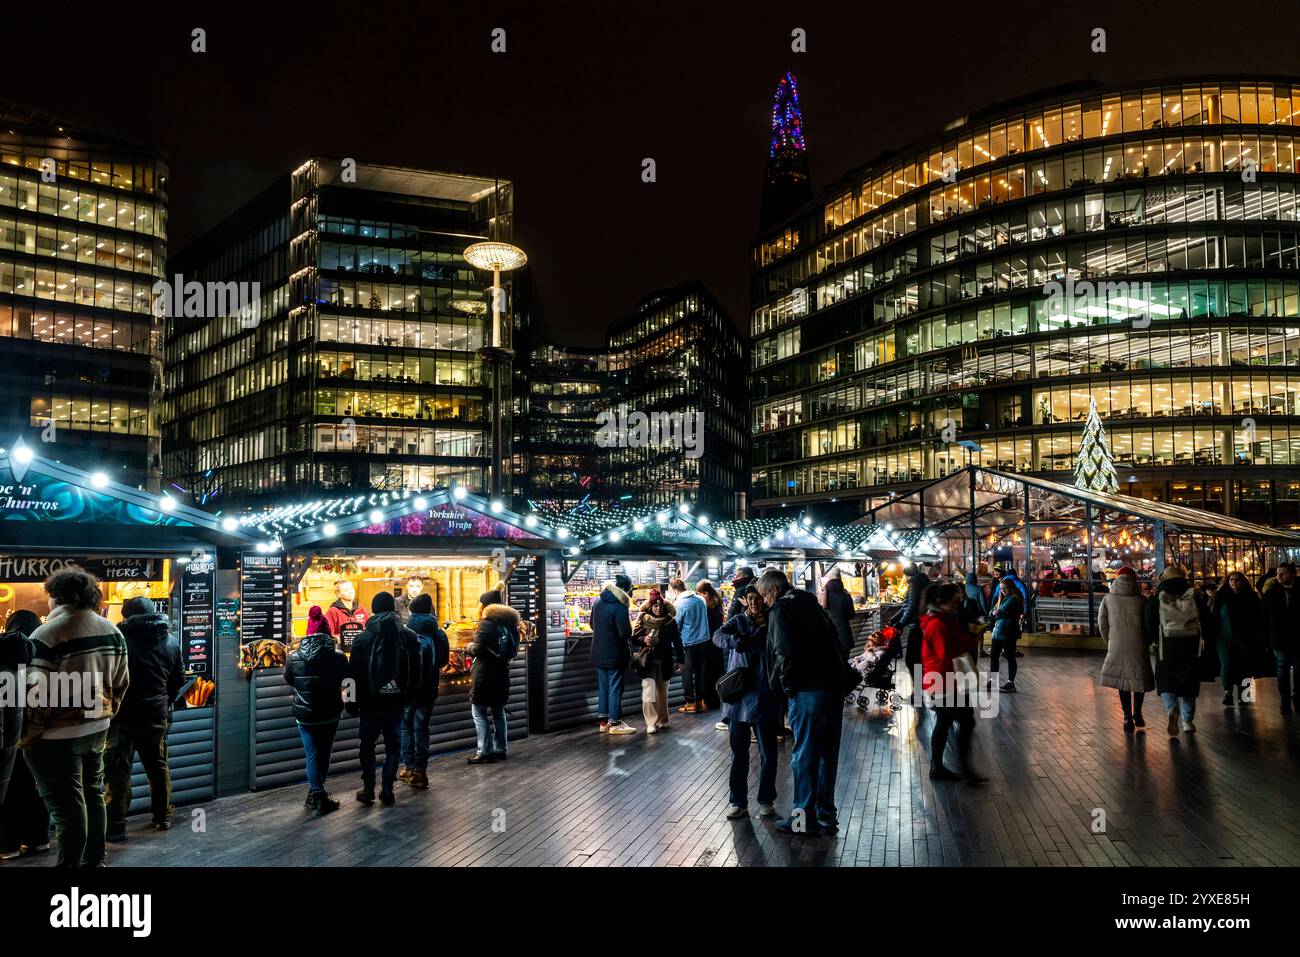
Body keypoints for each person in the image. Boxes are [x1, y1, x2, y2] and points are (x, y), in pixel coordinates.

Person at [21, 569, 129, 867]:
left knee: (67, 807)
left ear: (57, 596)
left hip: (56, 736)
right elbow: (121, 682)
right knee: (93, 794)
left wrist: (29, 735)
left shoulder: (47, 634)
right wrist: (107, 713)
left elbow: (35, 694)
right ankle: (94, 861)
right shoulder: (111, 629)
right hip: (98, 727)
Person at [761, 568, 845, 835]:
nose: (763, 601)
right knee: (827, 754)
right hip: (833, 688)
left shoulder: (780, 611)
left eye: (764, 595)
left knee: (804, 757)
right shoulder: (812, 604)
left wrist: (787, 690)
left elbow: (783, 653)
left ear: (773, 590)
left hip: (807, 692)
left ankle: (801, 819)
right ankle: (826, 816)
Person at [104, 597, 182, 842]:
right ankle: (162, 817)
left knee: (118, 772)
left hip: (122, 717)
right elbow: (178, 679)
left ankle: (116, 826)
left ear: (126, 615)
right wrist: (163, 700)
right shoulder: (170, 640)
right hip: (156, 715)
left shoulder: (119, 640)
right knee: (158, 766)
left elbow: (108, 679)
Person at [348, 591, 420, 804]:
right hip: (396, 700)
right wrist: (410, 697)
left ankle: (368, 788)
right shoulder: (408, 636)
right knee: (393, 745)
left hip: (369, 702)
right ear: (393, 609)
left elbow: (351, 675)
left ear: (374, 609)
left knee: (367, 744)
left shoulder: (362, 637)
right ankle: (387, 789)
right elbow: (416, 671)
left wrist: (350, 702)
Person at [714, 585, 779, 819]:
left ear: (765, 599)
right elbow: (717, 636)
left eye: (758, 598)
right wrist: (733, 641)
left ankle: (766, 800)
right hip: (738, 699)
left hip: (764, 696)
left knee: (768, 753)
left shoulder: (773, 622)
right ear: (744, 600)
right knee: (738, 753)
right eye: (750, 599)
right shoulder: (738, 621)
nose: (754, 603)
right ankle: (738, 801)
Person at [283, 616, 350, 814]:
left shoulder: (293, 656)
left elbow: (289, 679)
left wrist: (304, 691)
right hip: (330, 712)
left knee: (312, 754)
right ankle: (318, 793)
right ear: (328, 633)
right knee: (324, 753)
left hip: (304, 715)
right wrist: (351, 702)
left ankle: (316, 793)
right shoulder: (338, 657)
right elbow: (348, 681)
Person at [920, 582, 984, 783]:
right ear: (942, 601)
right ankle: (965, 769)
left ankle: (937, 767)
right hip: (943, 680)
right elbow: (946, 652)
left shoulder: (943, 619)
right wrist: (971, 636)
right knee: (966, 721)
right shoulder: (938, 623)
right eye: (953, 601)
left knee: (944, 721)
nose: (957, 604)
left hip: (945, 679)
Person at [1144, 565, 1208, 737]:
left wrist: (1157, 639)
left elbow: (1149, 622)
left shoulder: (1157, 598)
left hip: (1167, 647)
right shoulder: (1194, 596)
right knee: (1189, 684)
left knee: (1166, 682)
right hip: (1191, 647)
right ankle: (1188, 721)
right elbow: (1207, 618)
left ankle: (1172, 710)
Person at [0, 610, 40, 859]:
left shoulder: (4, 660)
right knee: (34, 790)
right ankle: (39, 839)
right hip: (36, 736)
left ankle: (7, 846)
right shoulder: (37, 653)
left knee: (9, 795)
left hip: (11, 740)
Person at [399, 592, 449, 788]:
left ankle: (408, 768)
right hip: (429, 687)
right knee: (421, 729)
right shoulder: (438, 633)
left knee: (406, 728)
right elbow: (443, 660)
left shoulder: (405, 632)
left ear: (411, 610)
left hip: (408, 689)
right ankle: (421, 772)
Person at [1098, 566, 1155, 732]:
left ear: (1117, 578)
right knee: (1139, 680)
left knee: (1122, 681)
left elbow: (1102, 624)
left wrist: (1110, 640)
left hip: (1117, 643)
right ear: (1134, 580)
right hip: (1138, 644)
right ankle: (1137, 712)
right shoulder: (1141, 600)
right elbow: (1148, 625)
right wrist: (1147, 641)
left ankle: (1127, 717)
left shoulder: (1108, 599)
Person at [467, 590, 519, 764]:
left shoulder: (486, 623)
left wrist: (469, 646)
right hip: (502, 672)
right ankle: (500, 749)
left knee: (479, 712)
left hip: (484, 674)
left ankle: (484, 751)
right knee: (498, 712)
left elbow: (478, 649)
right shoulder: (510, 622)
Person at [1209, 571, 1266, 707]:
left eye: (1238, 580)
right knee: (1227, 664)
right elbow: (1213, 616)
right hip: (1224, 637)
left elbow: (1258, 618)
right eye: (1232, 580)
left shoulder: (1251, 598)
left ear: (1243, 582)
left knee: (1246, 666)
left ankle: (1245, 694)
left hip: (1246, 637)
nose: (1234, 583)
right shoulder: (1221, 597)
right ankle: (1228, 692)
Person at [631, 589, 683, 733]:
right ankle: (650, 722)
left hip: (665, 659)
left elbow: (677, 640)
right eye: (655, 606)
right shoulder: (643, 619)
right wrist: (644, 640)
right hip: (648, 660)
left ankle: (663, 719)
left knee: (663, 692)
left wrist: (681, 659)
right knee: (649, 690)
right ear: (650, 606)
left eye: (660, 606)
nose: (658, 608)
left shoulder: (669, 621)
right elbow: (634, 638)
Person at [590, 574, 635, 735]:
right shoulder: (620, 605)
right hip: (615, 652)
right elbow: (625, 633)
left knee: (603, 687)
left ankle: (603, 722)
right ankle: (615, 723)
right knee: (616, 687)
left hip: (598, 651)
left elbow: (591, 624)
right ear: (625, 588)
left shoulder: (598, 601)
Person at [675, 580, 714, 714]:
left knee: (687, 674)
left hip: (688, 643)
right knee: (701, 673)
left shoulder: (680, 603)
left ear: (675, 590)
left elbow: (676, 625)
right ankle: (701, 702)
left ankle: (690, 703)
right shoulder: (700, 600)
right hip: (704, 642)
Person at [1265, 562, 1298, 715]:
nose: (1279, 576)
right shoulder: (1273, 592)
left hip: (1295, 638)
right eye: (1278, 573)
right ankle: (1285, 699)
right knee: (1282, 668)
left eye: (1283, 573)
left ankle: (1295, 698)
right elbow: (1264, 616)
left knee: (1295, 670)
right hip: (1280, 638)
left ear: (1292, 574)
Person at [987, 578, 1023, 692]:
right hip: (999, 631)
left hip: (1008, 632)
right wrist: (994, 613)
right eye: (1001, 589)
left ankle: (1010, 683)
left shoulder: (1013, 599)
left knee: (1009, 656)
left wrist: (995, 613)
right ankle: (995, 681)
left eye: (1005, 588)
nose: (1003, 591)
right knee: (994, 656)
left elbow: (999, 612)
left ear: (1010, 587)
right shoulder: (1002, 600)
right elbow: (992, 613)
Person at [822, 569, 857, 660]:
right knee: (844, 662)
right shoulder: (846, 595)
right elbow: (851, 615)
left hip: (829, 635)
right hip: (844, 634)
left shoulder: (823, 594)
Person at [325, 580, 369, 650]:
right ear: (338, 594)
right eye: (346, 590)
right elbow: (327, 635)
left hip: (361, 651)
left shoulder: (361, 609)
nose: (350, 591)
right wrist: (343, 637)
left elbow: (368, 630)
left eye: (351, 588)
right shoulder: (332, 611)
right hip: (341, 652)